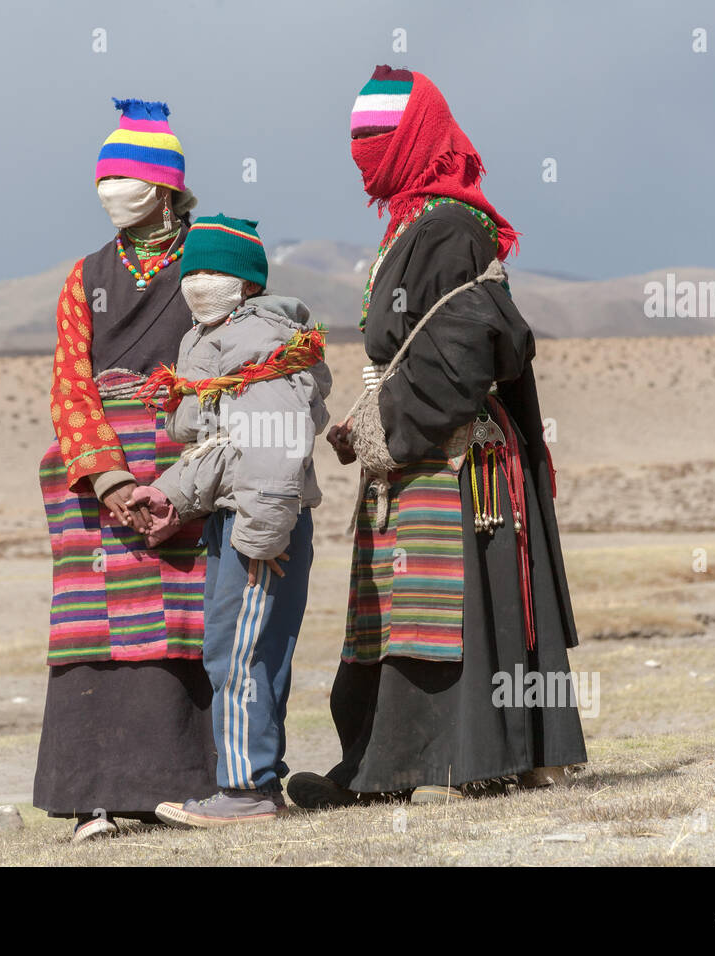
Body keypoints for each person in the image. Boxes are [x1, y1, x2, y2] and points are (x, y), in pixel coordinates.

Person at [287, 66, 587, 810]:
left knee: (447, 612)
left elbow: (464, 345)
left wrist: (385, 427)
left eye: (378, 136)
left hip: (456, 453)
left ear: (418, 135)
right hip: (417, 445)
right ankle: (385, 764)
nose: (365, 150)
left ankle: (456, 762)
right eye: (357, 136)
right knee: (400, 613)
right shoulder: (415, 224)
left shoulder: (452, 225)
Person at [33, 98, 217, 842]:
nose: (112, 190)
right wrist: (108, 478)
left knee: (183, 626)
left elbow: (234, 361)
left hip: (185, 464)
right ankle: (93, 800)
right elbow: (69, 383)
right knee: (93, 634)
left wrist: (181, 480)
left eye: (126, 178)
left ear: (166, 186)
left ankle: (181, 788)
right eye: (104, 178)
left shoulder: (208, 263)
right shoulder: (84, 276)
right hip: (96, 475)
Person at [127, 214, 332, 827]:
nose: (198, 282)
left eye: (213, 270)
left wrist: (264, 535)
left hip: (258, 528)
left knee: (239, 653)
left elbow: (273, 448)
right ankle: (257, 782)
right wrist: (170, 494)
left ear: (246, 283)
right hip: (239, 521)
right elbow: (221, 450)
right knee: (248, 650)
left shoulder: (260, 350)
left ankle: (245, 789)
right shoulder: (224, 349)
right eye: (191, 270)